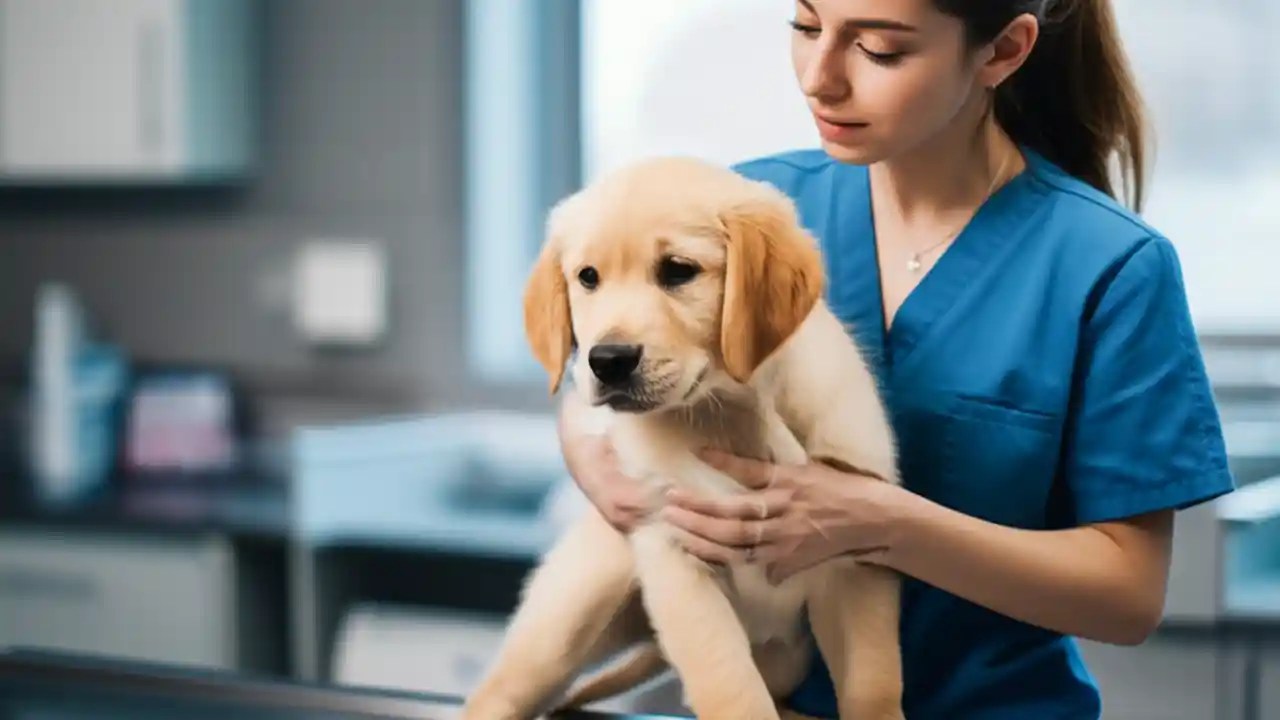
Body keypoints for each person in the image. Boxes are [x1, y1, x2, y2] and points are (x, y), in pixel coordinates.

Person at [556, 1, 1236, 718]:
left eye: (878, 50)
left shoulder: (1110, 267)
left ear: (1002, 52)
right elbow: (607, 358)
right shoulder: (749, 210)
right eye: (807, 27)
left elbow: (1126, 598)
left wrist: (883, 522)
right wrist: (591, 455)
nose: (820, 79)